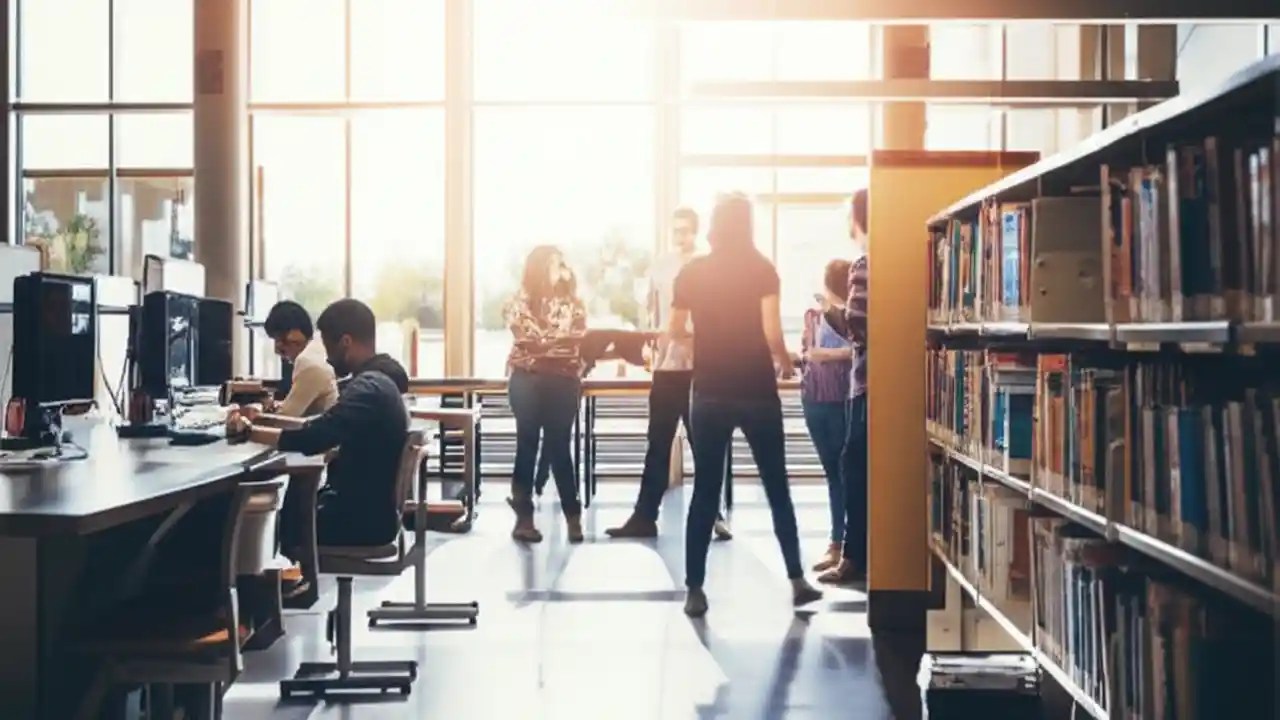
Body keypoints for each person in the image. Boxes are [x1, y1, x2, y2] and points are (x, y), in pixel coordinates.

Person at [670, 192, 822, 617]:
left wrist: (707, 344)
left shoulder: (692, 272)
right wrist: (785, 361)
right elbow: (772, 330)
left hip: (710, 390)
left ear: (714, 226)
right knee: (777, 486)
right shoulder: (762, 269)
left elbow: (675, 330)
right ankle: (796, 581)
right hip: (756, 389)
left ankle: (695, 591)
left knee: (705, 489)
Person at [227, 298, 410, 551]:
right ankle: (289, 585)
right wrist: (262, 421)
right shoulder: (379, 382)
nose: (327, 358)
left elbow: (315, 437)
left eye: (328, 348)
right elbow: (319, 424)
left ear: (345, 342)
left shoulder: (367, 388)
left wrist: (249, 432)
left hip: (363, 522)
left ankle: (290, 587)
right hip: (375, 514)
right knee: (291, 508)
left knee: (267, 523)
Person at [607, 206, 732, 541]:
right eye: (676, 230)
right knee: (657, 444)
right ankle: (644, 516)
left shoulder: (709, 267)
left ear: (697, 231)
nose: (681, 236)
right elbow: (653, 311)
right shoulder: (660, 266)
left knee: (704, 445)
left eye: (686, 230)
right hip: (666, 367)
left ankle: (714, 514)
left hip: (700, 368)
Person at [504, 245, 587, 544]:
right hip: (527, 380)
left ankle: (573, 517)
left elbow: (576, 337)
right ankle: (523, 519)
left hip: (562, 380)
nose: (561, 269)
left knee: (560, 448)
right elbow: (528, 338)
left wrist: (548, 344)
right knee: (526, 446)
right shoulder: (519, 301)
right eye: (555, 264)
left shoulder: (573, 302)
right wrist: (555, 343)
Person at [818, 188, 870, 584]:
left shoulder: (864, 266)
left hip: (867, 384)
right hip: (891, 383)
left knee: (853, 468)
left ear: (857, 221)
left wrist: (829, 309)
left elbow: (857, 328)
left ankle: (854, 556)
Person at [800, 260, 854, 572]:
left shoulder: (852, 319)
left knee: (844, 472)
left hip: (842, 398)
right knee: (832, 472)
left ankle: (843, 543)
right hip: (815, 397)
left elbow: (860, 348)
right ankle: (837, 543)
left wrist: (827, 355)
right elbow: (807, 351)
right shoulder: (813, 316)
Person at [261, 300, 339, 417]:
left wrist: (252, 417)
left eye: (278, 340)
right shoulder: (317, 352)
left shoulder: (307, 362)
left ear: (294, 336)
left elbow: (286, 417)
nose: (277, 351)